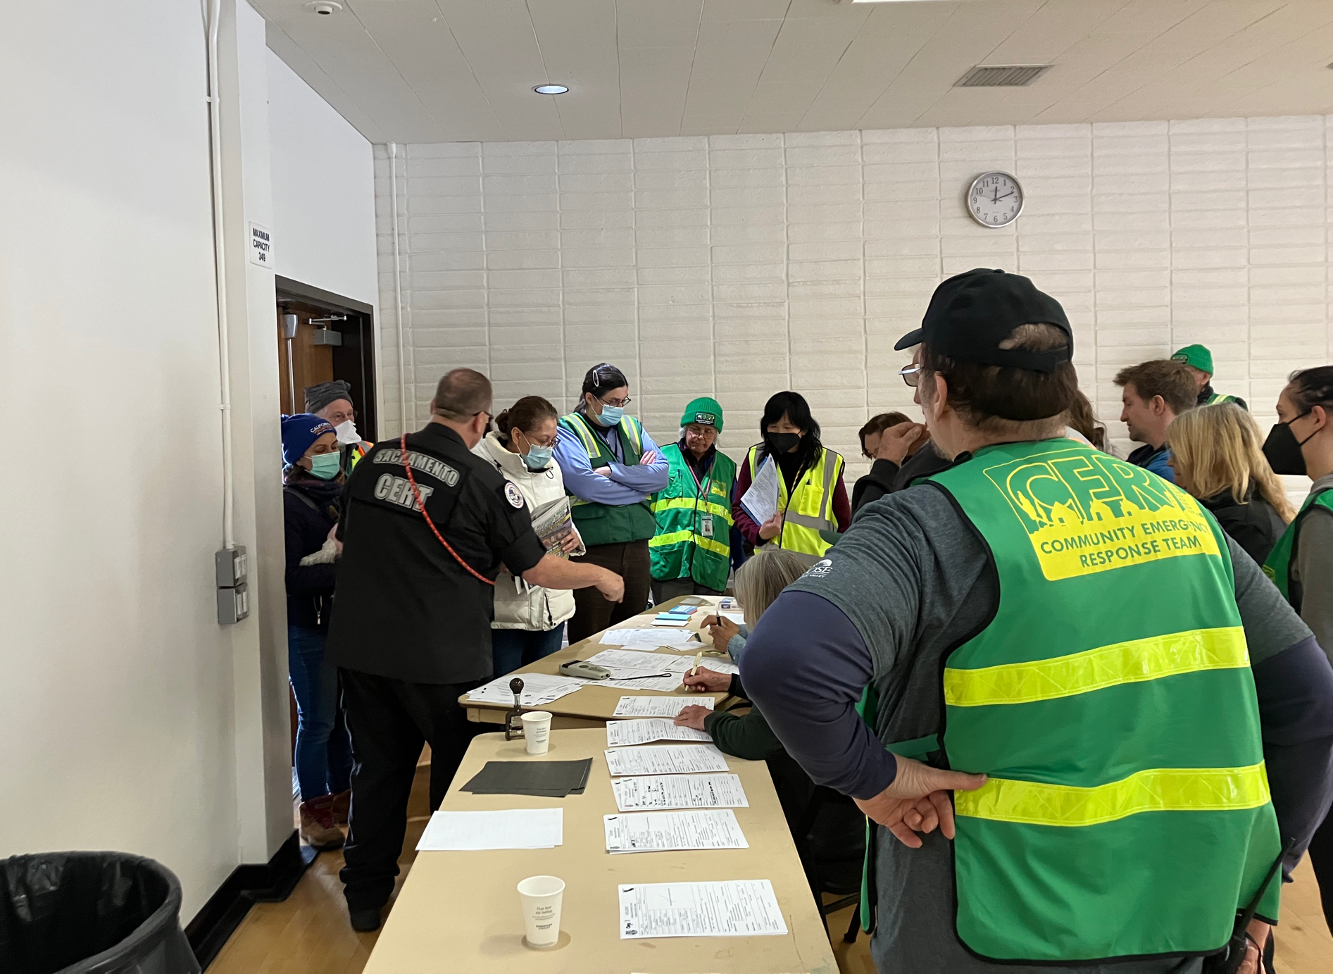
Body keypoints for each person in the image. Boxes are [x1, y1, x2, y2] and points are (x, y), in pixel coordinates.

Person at [738, 268, 1333, 974]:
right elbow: (1308, 703)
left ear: (937, 391)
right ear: (1062, 389)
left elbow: (783, 663)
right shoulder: (1181, 515)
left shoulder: (925, 522)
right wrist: (1267, 882)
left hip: (984, 922)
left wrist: (869, 777)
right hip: (1180, 915)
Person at [326, 369, 625, 932]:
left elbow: (346, 539)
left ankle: (365, 897)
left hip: (363, 651)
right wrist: (599, 578)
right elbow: (535, 566)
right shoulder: (483, 480)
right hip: (442, 657)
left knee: (378, 771)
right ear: (483, 420)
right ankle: (448, 889)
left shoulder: (371, 462)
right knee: (458, 771)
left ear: (434, 405)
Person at [676, 550, 857, 847]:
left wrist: (707, 718)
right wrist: (731, 683)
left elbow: (754, 740)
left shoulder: (778, 655)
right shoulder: (823, 635)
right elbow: (794, 700)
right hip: (844, 803)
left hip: (814, 822)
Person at [1261, 365, 1333, 934]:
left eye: (1284, 417)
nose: (1277, 433)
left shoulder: (1326, 517)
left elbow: (1324, 658)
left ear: (1318, 418)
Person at [281, 414, 354, 852]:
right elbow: (290, 579)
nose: (331, 456)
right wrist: (345, 567)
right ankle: (314, 812)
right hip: (309, 629)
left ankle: (344, 801)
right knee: (318, 722)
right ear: (299, 459)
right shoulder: (288, 506)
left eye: (333, 448)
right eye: (320, 451)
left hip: (344, 625)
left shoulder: (342, 496)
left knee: (343, 720)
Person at [554, 363, 668, 643]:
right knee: (590, 638)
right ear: (590, 398)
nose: (619, 407)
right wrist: (639, 488)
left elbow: (662, 475)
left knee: (633, 636)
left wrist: (614, 472)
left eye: (623, 401)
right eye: (612, 402)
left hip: (638, 547)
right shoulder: (568, 429)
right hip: (594, 551)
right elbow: (586, 485)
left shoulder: (631, 426)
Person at [473, 396, 578, 676]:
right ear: (517, 435)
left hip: (552, 604)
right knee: (504, 697)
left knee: (545, 692)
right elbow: (470, 537)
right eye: (543, 440)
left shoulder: (552, 468)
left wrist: (572, 537)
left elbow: (560, 511)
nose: (548, 448)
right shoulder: (481, 468)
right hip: (506, 611)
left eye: (553, 440)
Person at [1167, 402, 1293, 566]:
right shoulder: (1250, 509)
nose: (1170, 462)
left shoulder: (1237, 527)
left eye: (1177, 453)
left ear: (1207, 458)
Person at [732, 391, 851, 564]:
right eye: (773, 427)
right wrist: (757, 534)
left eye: (787, 428)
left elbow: (844, 523)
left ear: (803, 429)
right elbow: (739, 509)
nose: (780, 433)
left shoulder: (829, 463)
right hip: (767, 566)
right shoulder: (755, 458)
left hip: (813, 568)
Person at [649, 398, 737, 602]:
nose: (701, 437)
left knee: (707, 632)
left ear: (716, 435)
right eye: (695, 429)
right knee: (671, 630)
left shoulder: (727, 467)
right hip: (669, 565)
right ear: (684, 429)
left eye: (709, 431)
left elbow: (734, 522)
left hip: (712, 569)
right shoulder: (662, 459)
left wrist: (739, 567)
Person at [1115, 358, 1197, 483]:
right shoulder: (1146, 457)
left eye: (1129, 404)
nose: (1123, 417)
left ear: (1157, 405)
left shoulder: (1164, 473)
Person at [851, 412, 929, 512]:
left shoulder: (919, 478)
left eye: (881, 450)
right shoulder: (877, 481)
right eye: (872, 454)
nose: (878, 458)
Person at [305, 379, 374, 477]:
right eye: (338, 416)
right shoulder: (302, 456)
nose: (347, 421)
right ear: (314, 420)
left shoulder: (370, 450)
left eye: (350, 414)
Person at [1173, 343, 1248, 409]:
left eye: (1184, 372)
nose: (1175, 377)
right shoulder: (1167, 406)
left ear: (1205, 377)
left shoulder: (1233, 406)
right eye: (1173, 372)